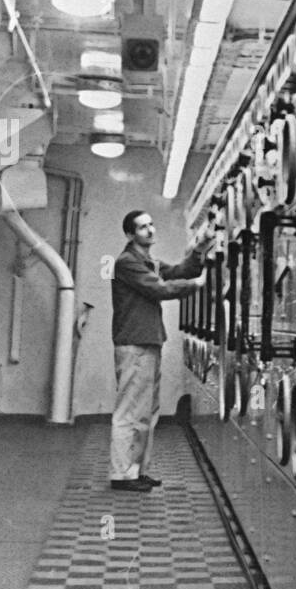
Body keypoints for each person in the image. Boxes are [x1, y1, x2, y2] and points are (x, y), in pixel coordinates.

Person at [110, 210, 209, 492]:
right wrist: (196, 285)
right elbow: (161, 289)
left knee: (146, 411)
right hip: (135, 343)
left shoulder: (147, 261)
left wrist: (198, 252)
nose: (150, 230)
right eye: (143, 227)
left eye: (151, 224)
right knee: (130, 411)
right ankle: (121, 474)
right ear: (130, 234)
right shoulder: (127, 262)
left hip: (149, 341)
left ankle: (136, 471)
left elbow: (177, 271)